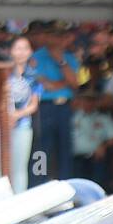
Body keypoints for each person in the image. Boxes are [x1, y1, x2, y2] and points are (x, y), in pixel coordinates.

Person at [30, 21, 80, 183]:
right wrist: (63, 83)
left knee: (65, 147)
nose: (57, 40)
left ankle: (67, 182)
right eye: (53, 35)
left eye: (60, 36)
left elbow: (75, 83)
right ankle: (40, 183)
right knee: (42, 148)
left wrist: (61, 61)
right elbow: (45, 85)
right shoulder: (36, 57)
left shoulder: (69, 58)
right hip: (45, 107)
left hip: (64, 106)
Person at [7, 35, 41, 194]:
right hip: (2, 125)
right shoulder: (3, 74)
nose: (21, 52)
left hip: (22, 125)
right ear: (11, 51)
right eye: (17, 48)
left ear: (30, 52)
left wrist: (17, 115)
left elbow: (34, 105)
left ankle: (19, 199)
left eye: (25, 48)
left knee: (19, 167)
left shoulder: (34, 76)